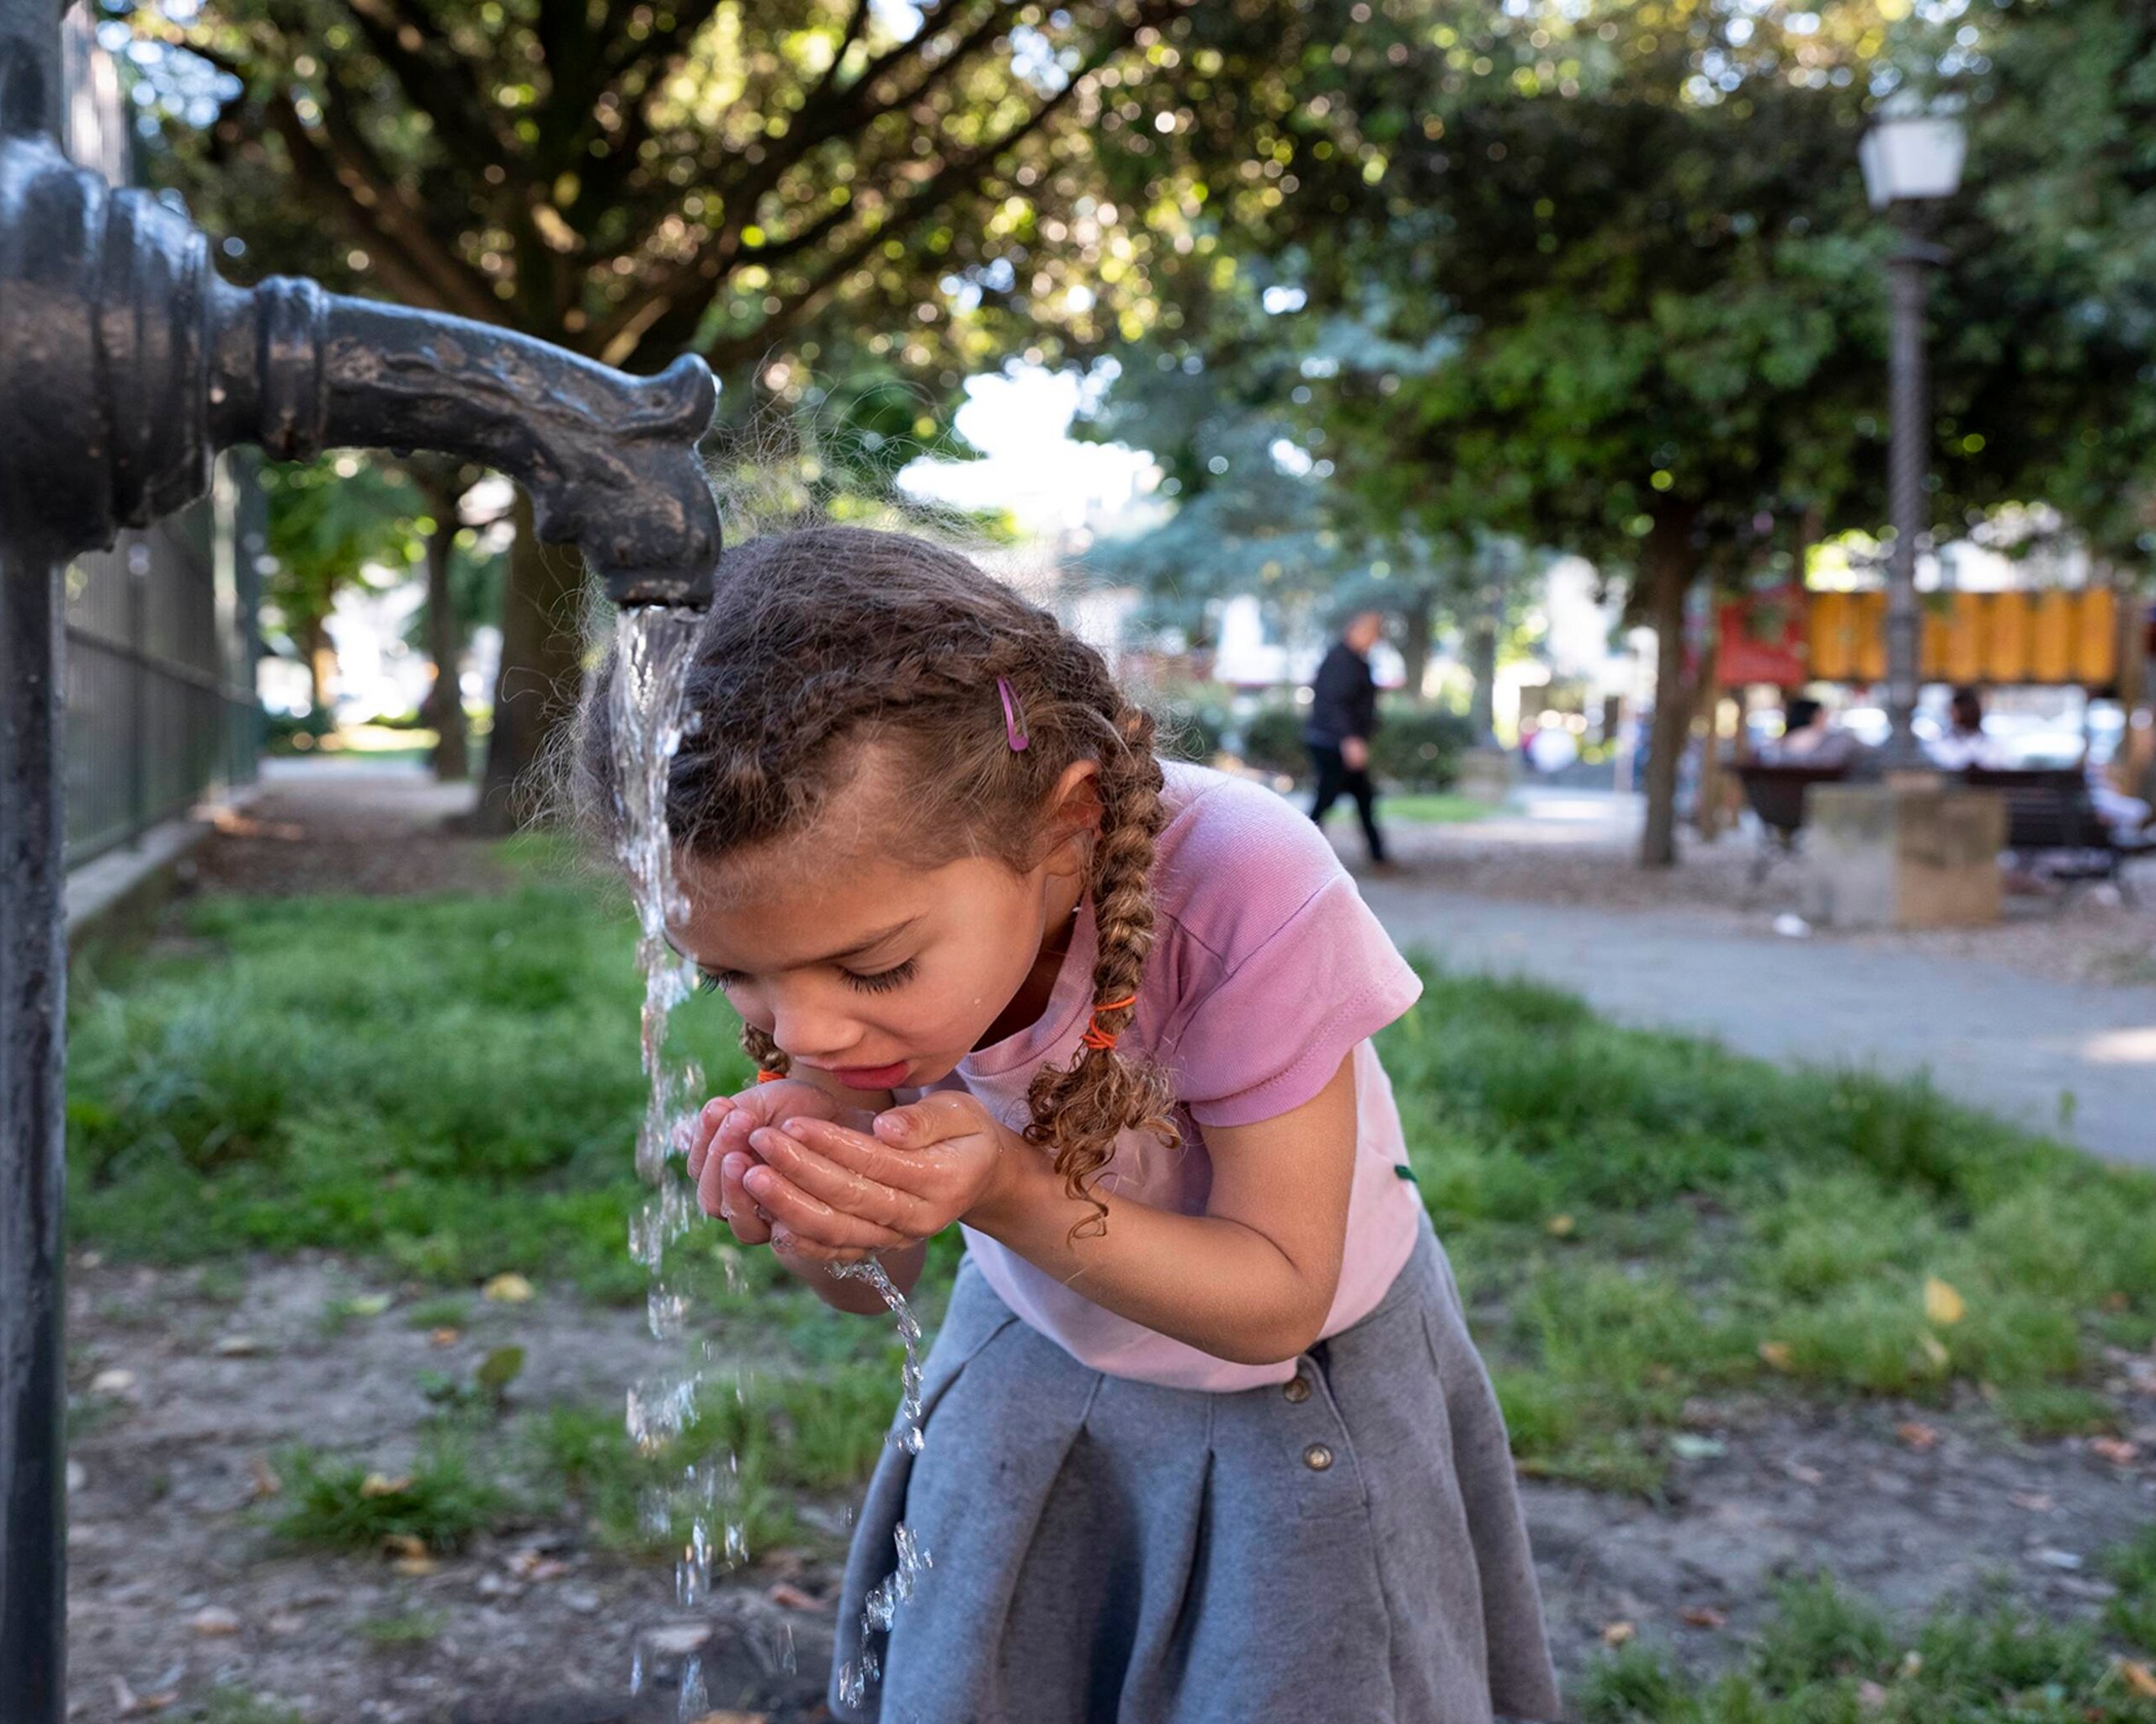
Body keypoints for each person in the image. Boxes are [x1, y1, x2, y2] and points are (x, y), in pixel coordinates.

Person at [573, 529, 1558, 1724]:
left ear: (1063, 829)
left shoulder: (1245, 884)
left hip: (1300, 1394)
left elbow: (1279, 1297)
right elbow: (868, 1284)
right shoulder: (838, 954)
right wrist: (825, 1217)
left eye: (873, 970)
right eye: (735, 978)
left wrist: (1004, 1190)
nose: (811, 1032)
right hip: (1038, 1359)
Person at [1304, 608, 1391, 867]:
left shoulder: (1355, 661)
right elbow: (1336, 703)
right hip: (1333, 743)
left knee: (1362, 798)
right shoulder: (1341, 661)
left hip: (1340, 741)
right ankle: (1302, 852)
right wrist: (1350, 739)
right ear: (1356, 630)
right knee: (1326, 798)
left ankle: (1378, 855)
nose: (1375, 639)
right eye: (1372, 633)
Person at [1763, 694, 1863, 768]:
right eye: (1823, 714)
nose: (1826, 719)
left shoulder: (1778, 744)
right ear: (1815, 716)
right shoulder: (1838, 741)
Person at [1927, 686, 2007, 771]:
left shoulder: (1991, 745)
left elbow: (1995, 764)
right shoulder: (1940, 743)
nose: (1951, 715)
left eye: (1954, 711)